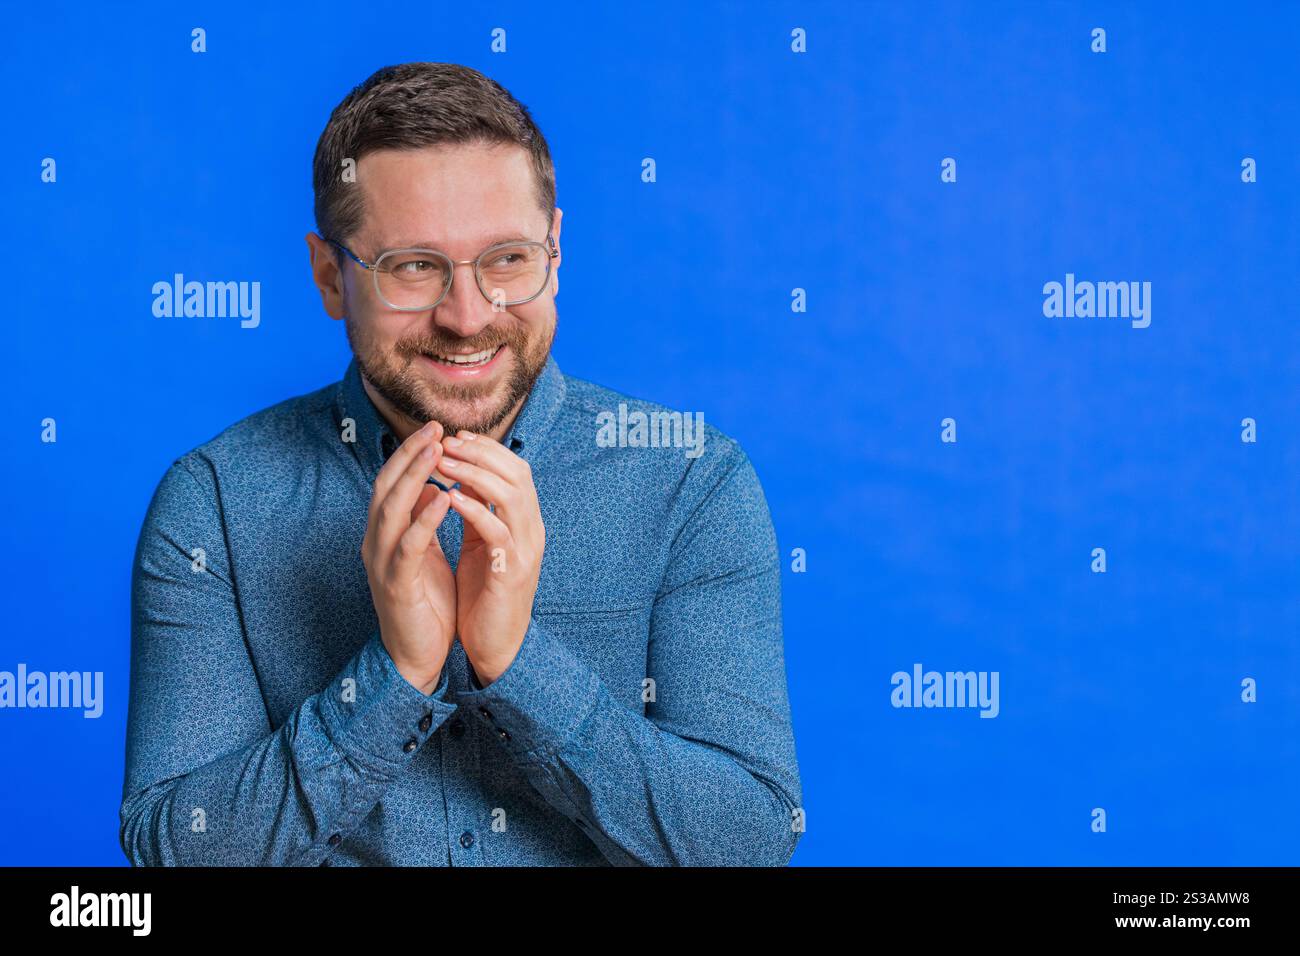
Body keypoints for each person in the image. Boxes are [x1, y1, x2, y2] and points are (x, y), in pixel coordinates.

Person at [120, 61, 803, 866]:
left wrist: (519, 666)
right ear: (329, 277)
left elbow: (751, 841)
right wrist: (395, 677)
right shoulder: (216, 506)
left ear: (556, 250)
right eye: (414, 266)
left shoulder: (691, 483)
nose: (468, 315)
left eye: (508, 259)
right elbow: (175, 852)